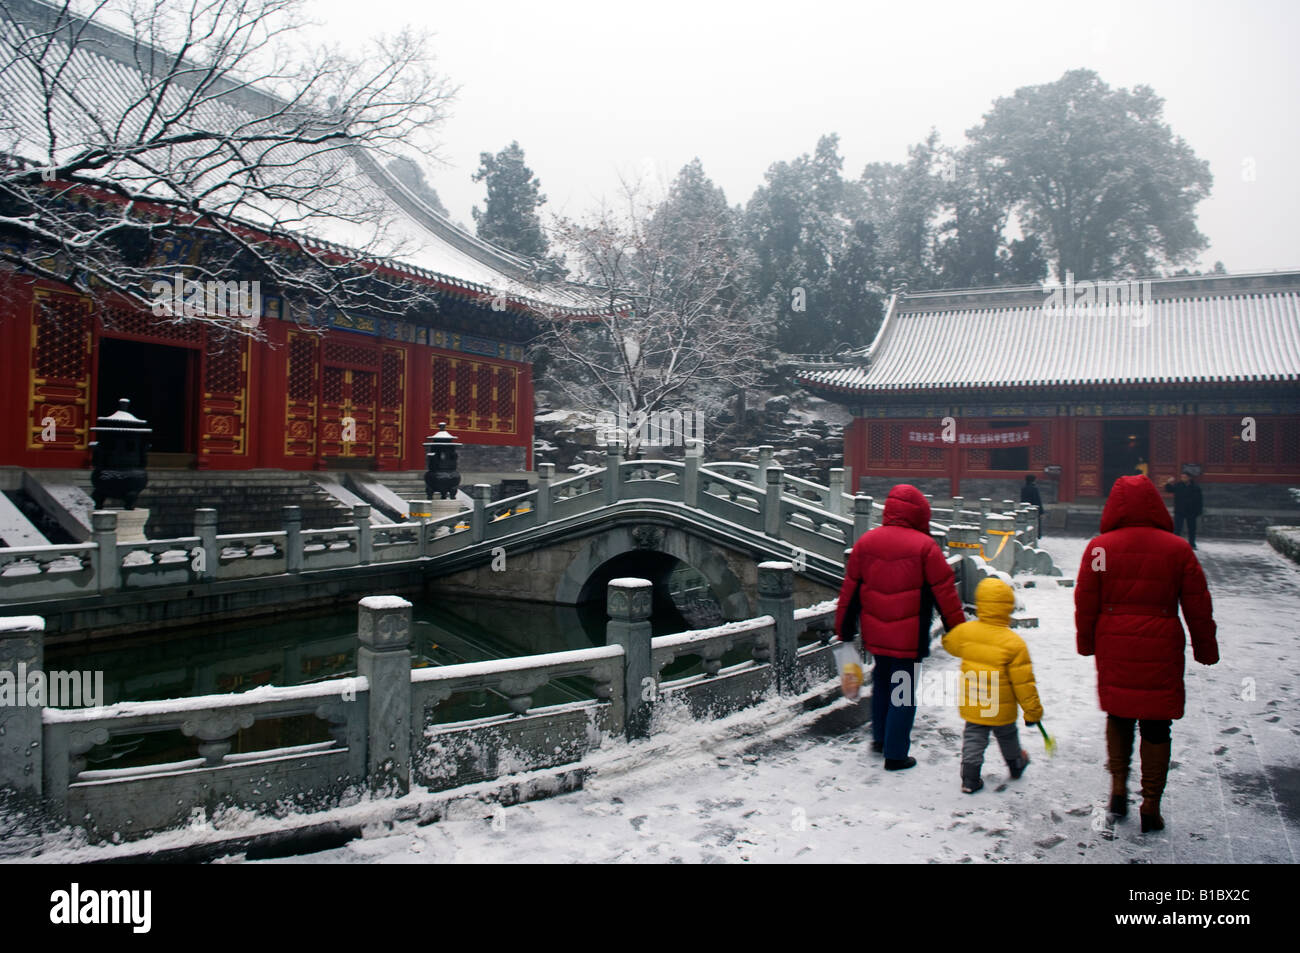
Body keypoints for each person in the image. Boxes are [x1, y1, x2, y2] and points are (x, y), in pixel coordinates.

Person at [1075, 475, 1218, 833]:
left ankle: (1118, 789)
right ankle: (1151, 803)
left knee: (1119, 715)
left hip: (1115, 642)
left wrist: (1086, 642)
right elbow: (1198, 604)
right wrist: (1205, 646)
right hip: (1162, 639)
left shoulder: (1100, 549)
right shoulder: (1177, 549)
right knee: (1157, 723)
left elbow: (1085, 601)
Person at [835, 484, 966, 771]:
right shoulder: (925, 547)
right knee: (903, 692)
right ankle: (895, 754)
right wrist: (957, 628)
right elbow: (945, 592)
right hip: (909, 638)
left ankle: (880, 738)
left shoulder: (867, 542)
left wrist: (844, 628)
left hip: (876, 634)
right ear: (920, 514)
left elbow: (850, 591)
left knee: (881, 683)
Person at [942, 577, 1044, 793]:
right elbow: (1024, 683)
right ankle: (1016, 765)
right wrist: (1032, 712)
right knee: (1007, 736)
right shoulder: (1014, 643)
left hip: (974, 702)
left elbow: (949, 643)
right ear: (1008, 605)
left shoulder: (967, 632)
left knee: (974, 738)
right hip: (1001, 707)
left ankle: (969, 779)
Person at [1164, 472, 1203, 550]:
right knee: (1177, 528)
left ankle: (1192, 544)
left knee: (1192, 528)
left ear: (1189, 478)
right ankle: (1175, 543)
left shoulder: (1195, 487)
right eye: (1182, 477)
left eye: (1185, 477)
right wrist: (1168, 482)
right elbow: (1169, 490)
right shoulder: (1179, 485)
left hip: (1191, 511)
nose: (1183, 478)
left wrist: (1198, 511)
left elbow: (1199, 500)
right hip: (1180, 510)